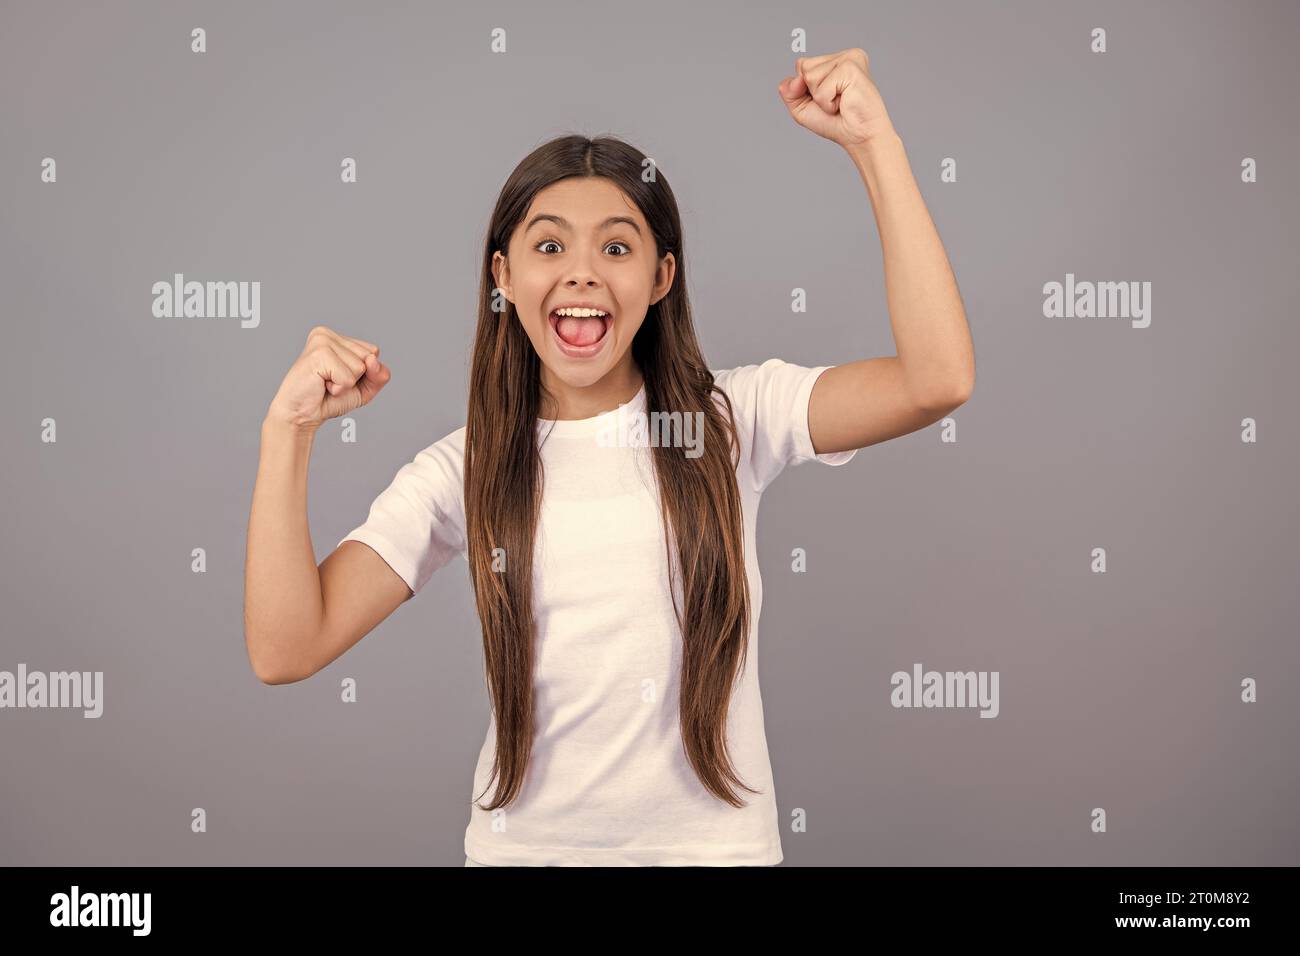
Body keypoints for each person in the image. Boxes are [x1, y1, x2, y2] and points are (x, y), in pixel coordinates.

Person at [243, 48, 975, 867]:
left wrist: (876, 146)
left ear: (662, 276)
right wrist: (289, 430)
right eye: (549, 247)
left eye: (617, 249)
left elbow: (936, 380)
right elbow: (285, 649)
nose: (583, 273)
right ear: (504, 276)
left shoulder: (733, 420)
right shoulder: (464, 469)